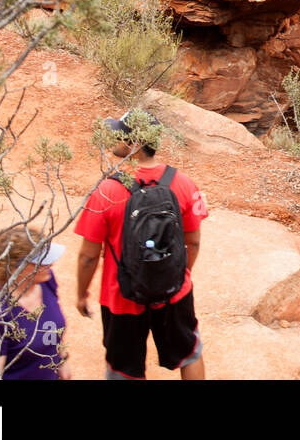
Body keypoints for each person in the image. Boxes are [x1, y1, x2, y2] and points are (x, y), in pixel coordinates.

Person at [74, 109, 209, 380]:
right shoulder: (182, 183)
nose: (115, 138)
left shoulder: (107, 191)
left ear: (134, 144)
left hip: (121, 295)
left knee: (123, 367)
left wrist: (81, 293)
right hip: (174, 292)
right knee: (189, 352)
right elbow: (192, 242)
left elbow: (89, 256)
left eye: (121, 135)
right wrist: (177, 275)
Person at [0, 226, 71, 380]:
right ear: (15, 268)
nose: (49, 264)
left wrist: (62, 360)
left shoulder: (47, 281)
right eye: (40, 261)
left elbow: (54, 327)